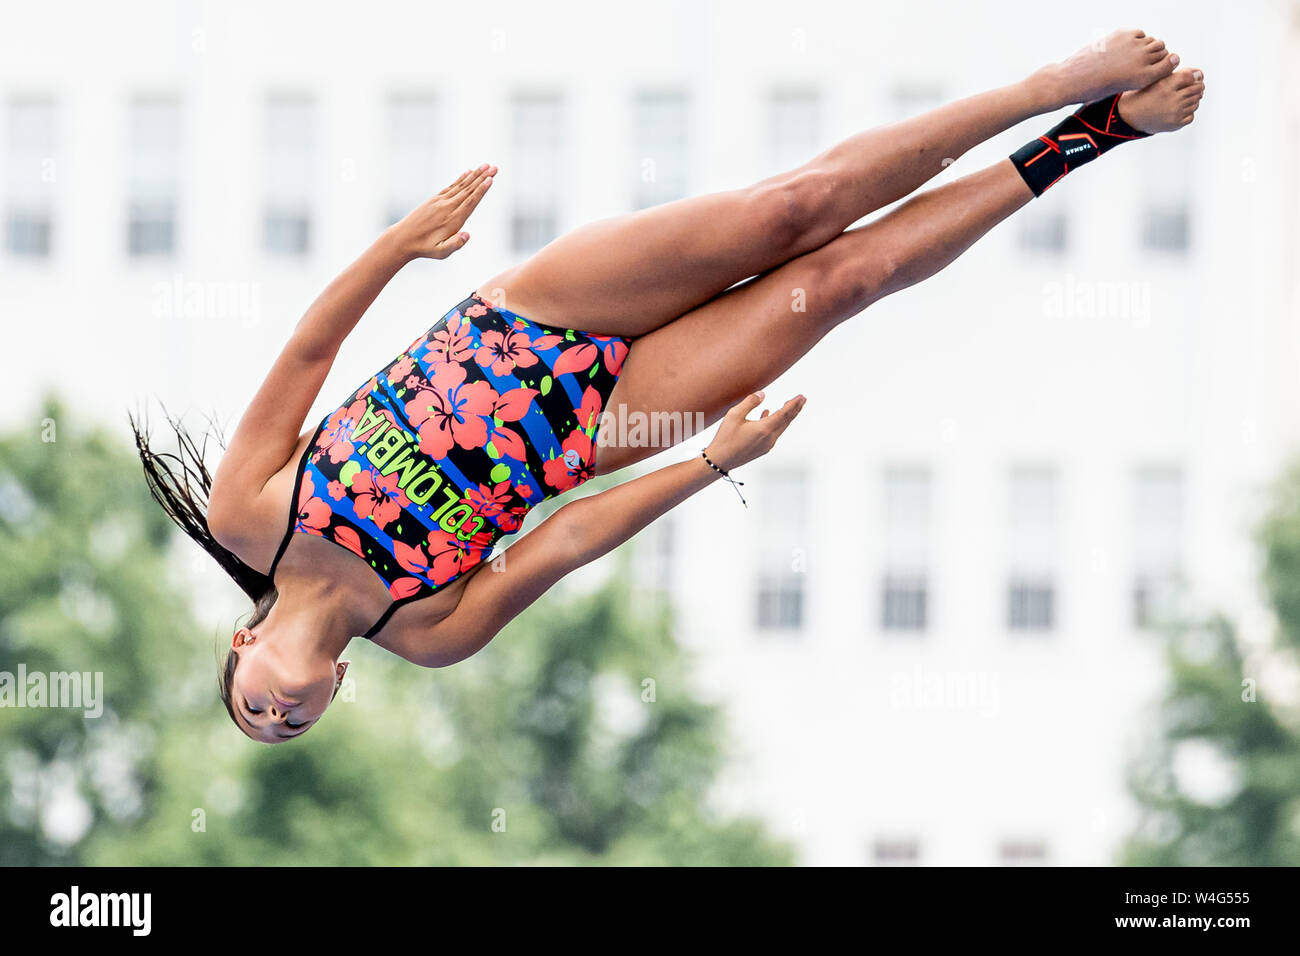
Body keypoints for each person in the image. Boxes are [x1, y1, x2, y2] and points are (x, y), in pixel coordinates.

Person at [131, 28, 1203, 742]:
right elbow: (563, 538)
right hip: (603, 426)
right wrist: (706, 462)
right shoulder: (426, 628)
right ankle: (1098, 130)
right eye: (289, 726)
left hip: (532, 319)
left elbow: (309, 354)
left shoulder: (252, 517)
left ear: (242, 644)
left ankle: (1052, 83)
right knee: (841, 282)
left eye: (252, 705)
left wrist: (400, 247)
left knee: (788, 213)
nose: (276, 714)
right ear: (335, 690)